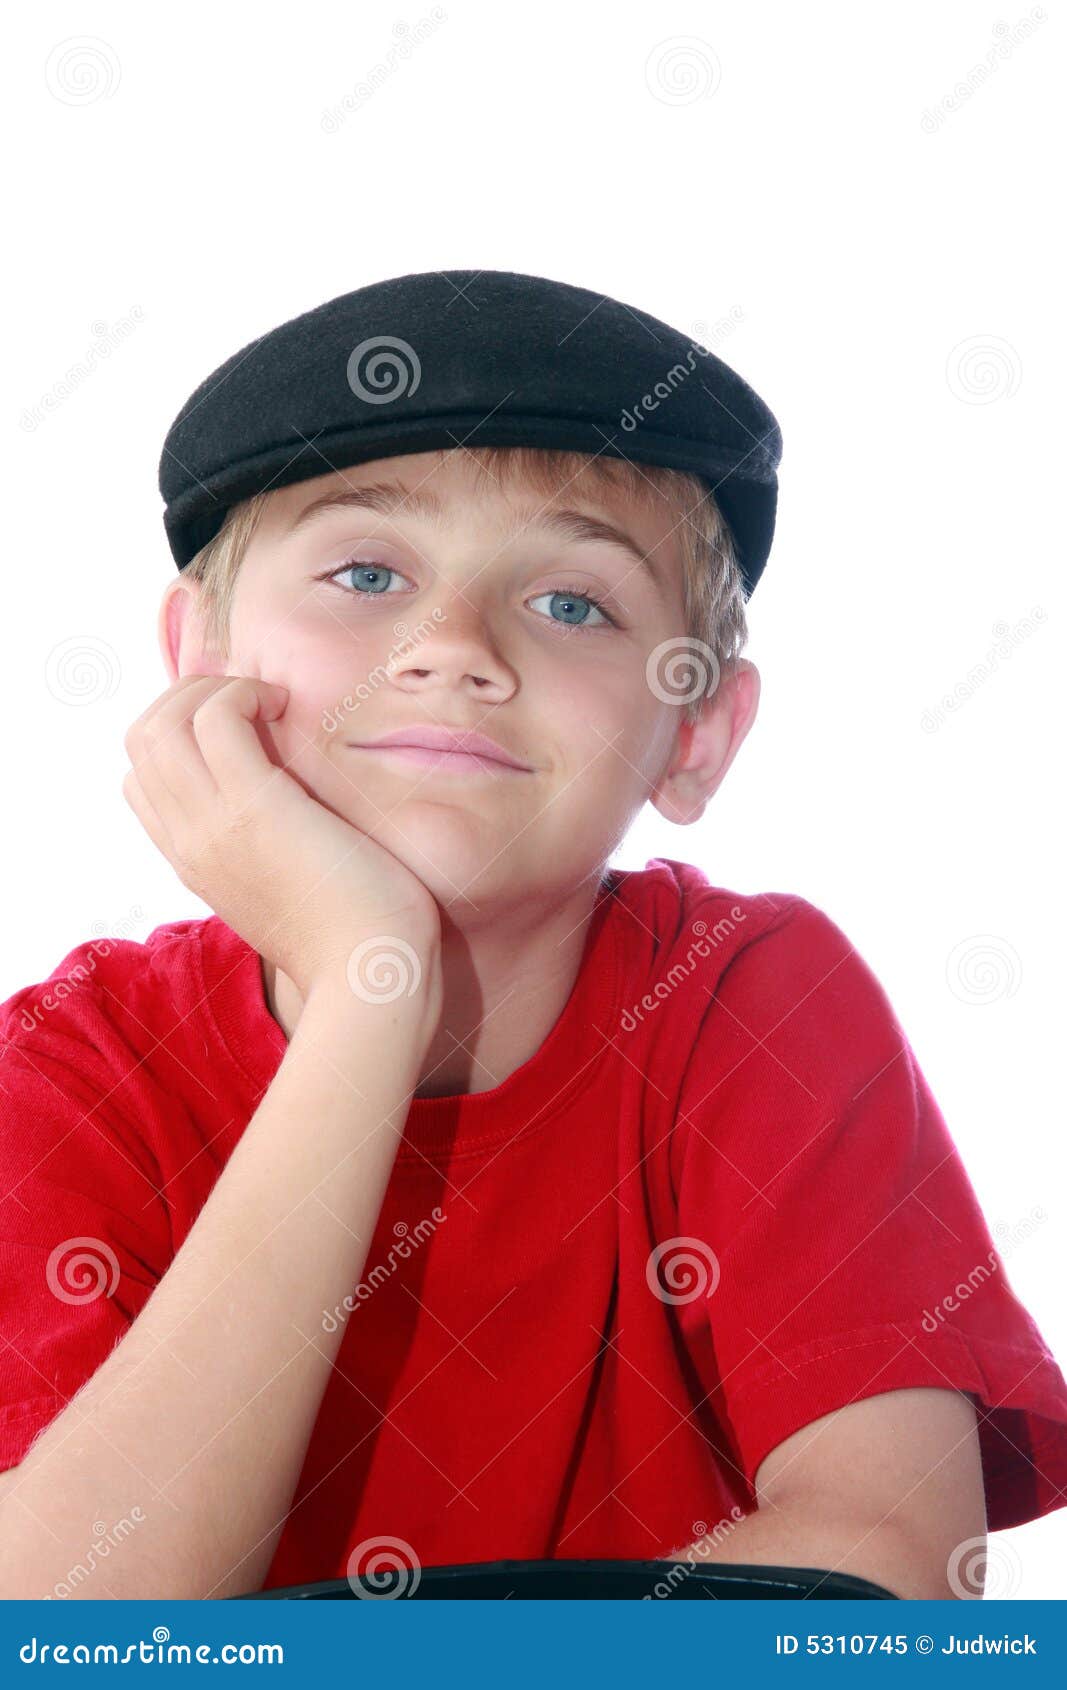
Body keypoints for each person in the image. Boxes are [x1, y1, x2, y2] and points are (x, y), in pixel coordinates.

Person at [0, 271, 1064, 1602]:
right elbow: (61, 1619)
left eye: (572, 604)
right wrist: (365, 983)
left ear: (695, 732)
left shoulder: (749, 1002)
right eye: (367, 572)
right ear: (198, 653)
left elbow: (888, 1579)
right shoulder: (68, 1065)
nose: (452, 647)